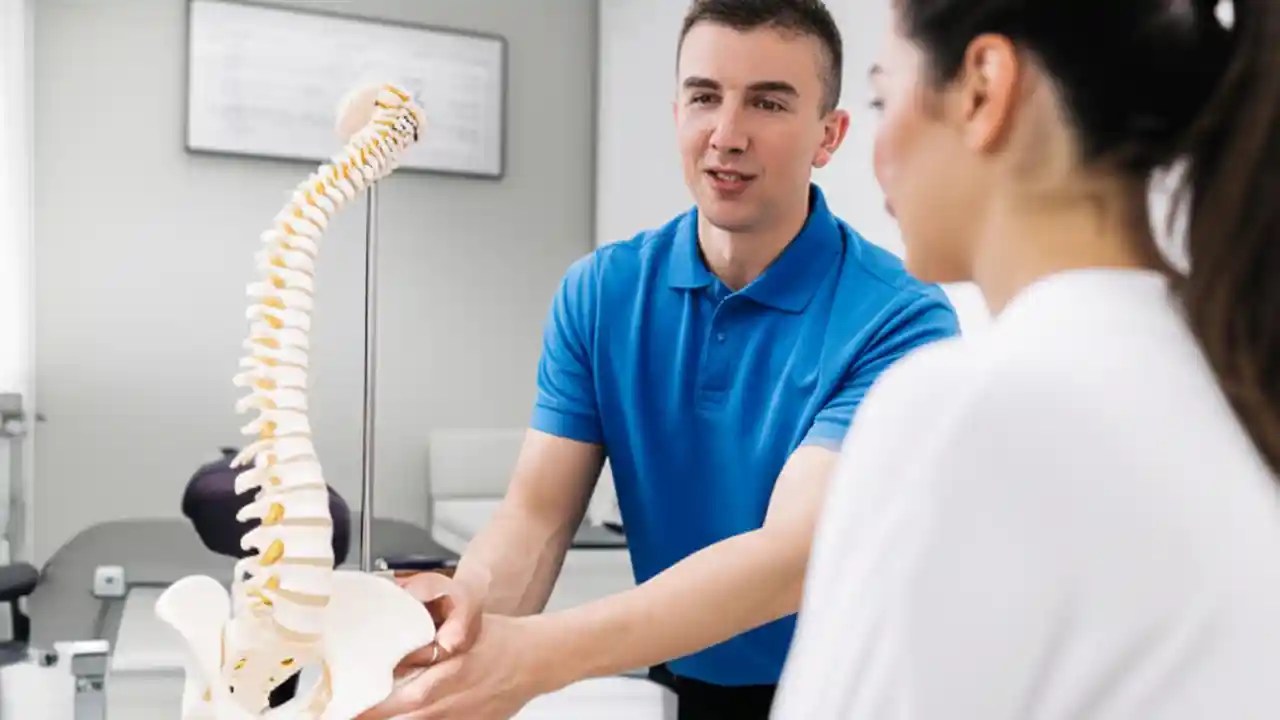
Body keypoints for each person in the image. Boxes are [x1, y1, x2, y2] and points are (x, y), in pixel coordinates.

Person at [356, 1, 959, 718]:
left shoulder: (901, 318)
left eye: (767, 102)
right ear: (676, 112)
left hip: (856, 693)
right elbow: (536, 519)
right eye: (705, 97)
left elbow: (785, 563)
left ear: (828, 135)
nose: (727, 135)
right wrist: (463, 620)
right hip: (689, 682)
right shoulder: (601, 293)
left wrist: (536, 656)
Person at [772, 0, 1280, 717]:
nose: (879, 147)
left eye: (885, 97)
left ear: (983, 86)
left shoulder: (966, 411)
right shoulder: (1239, 382)